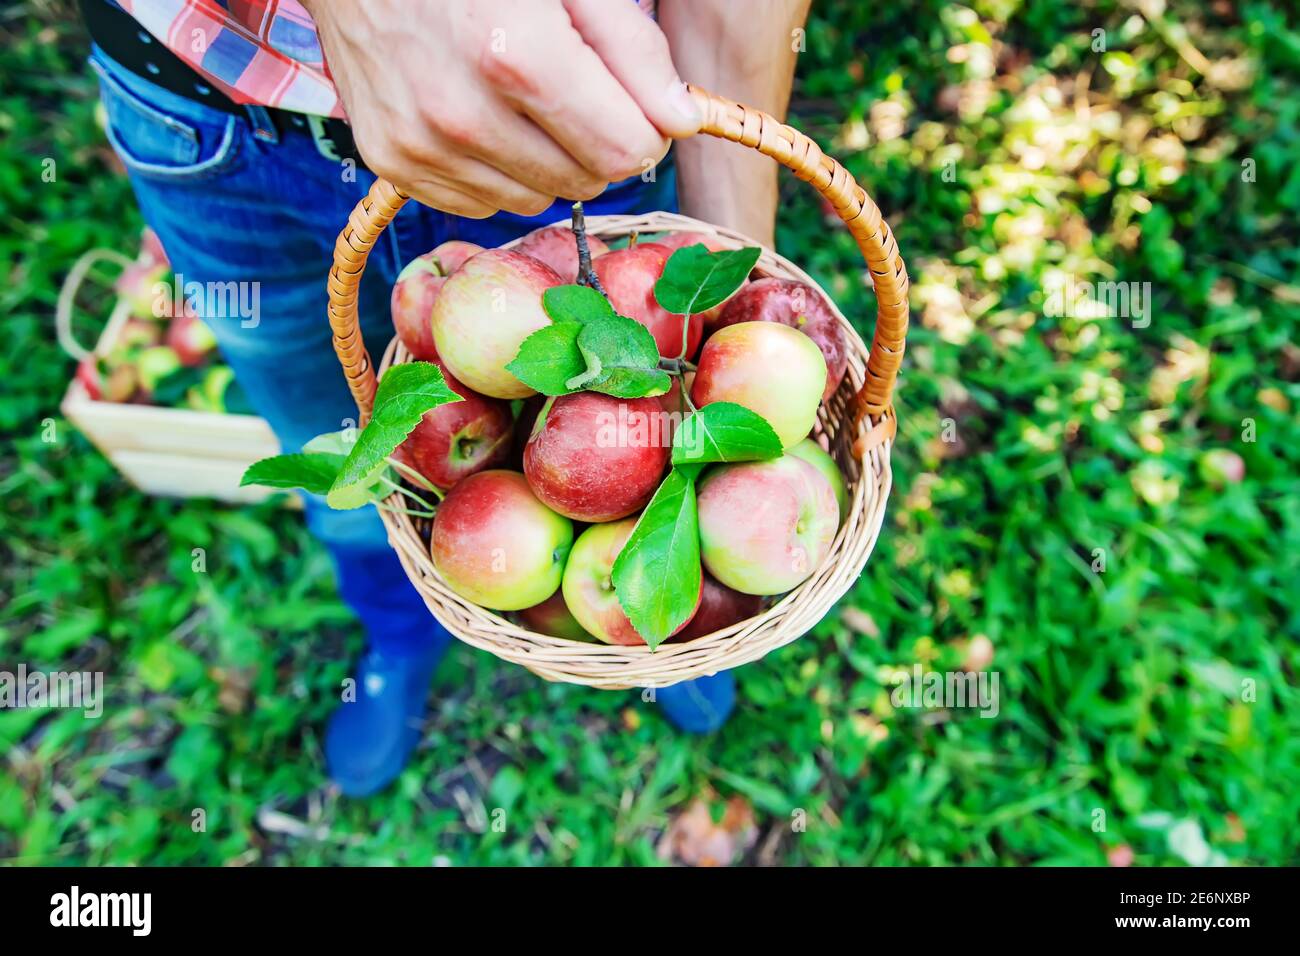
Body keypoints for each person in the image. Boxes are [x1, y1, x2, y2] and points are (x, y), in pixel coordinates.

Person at [81, 0, 811, 795]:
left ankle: (664, 622)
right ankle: (398, 635)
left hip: (573, 121)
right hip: (224, 121)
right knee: (355, 470)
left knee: (624, 427)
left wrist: (734, 295)